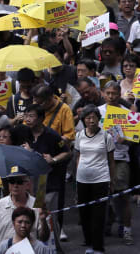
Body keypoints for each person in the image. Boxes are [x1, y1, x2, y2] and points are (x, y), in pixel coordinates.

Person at [74, 104, 114, 254]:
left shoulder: (106, 136)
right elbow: (78, 157)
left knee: (98, 215)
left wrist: (112, 180)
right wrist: (77, 176)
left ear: (99, 118)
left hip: (101, 179)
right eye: (88, 118)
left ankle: (98, 247)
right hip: (82, 179)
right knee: (84, 213)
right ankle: (89, 241)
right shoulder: (79, 135)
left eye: (94, 117)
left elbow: (111, 161)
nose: (91, 120)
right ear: (83, 120)